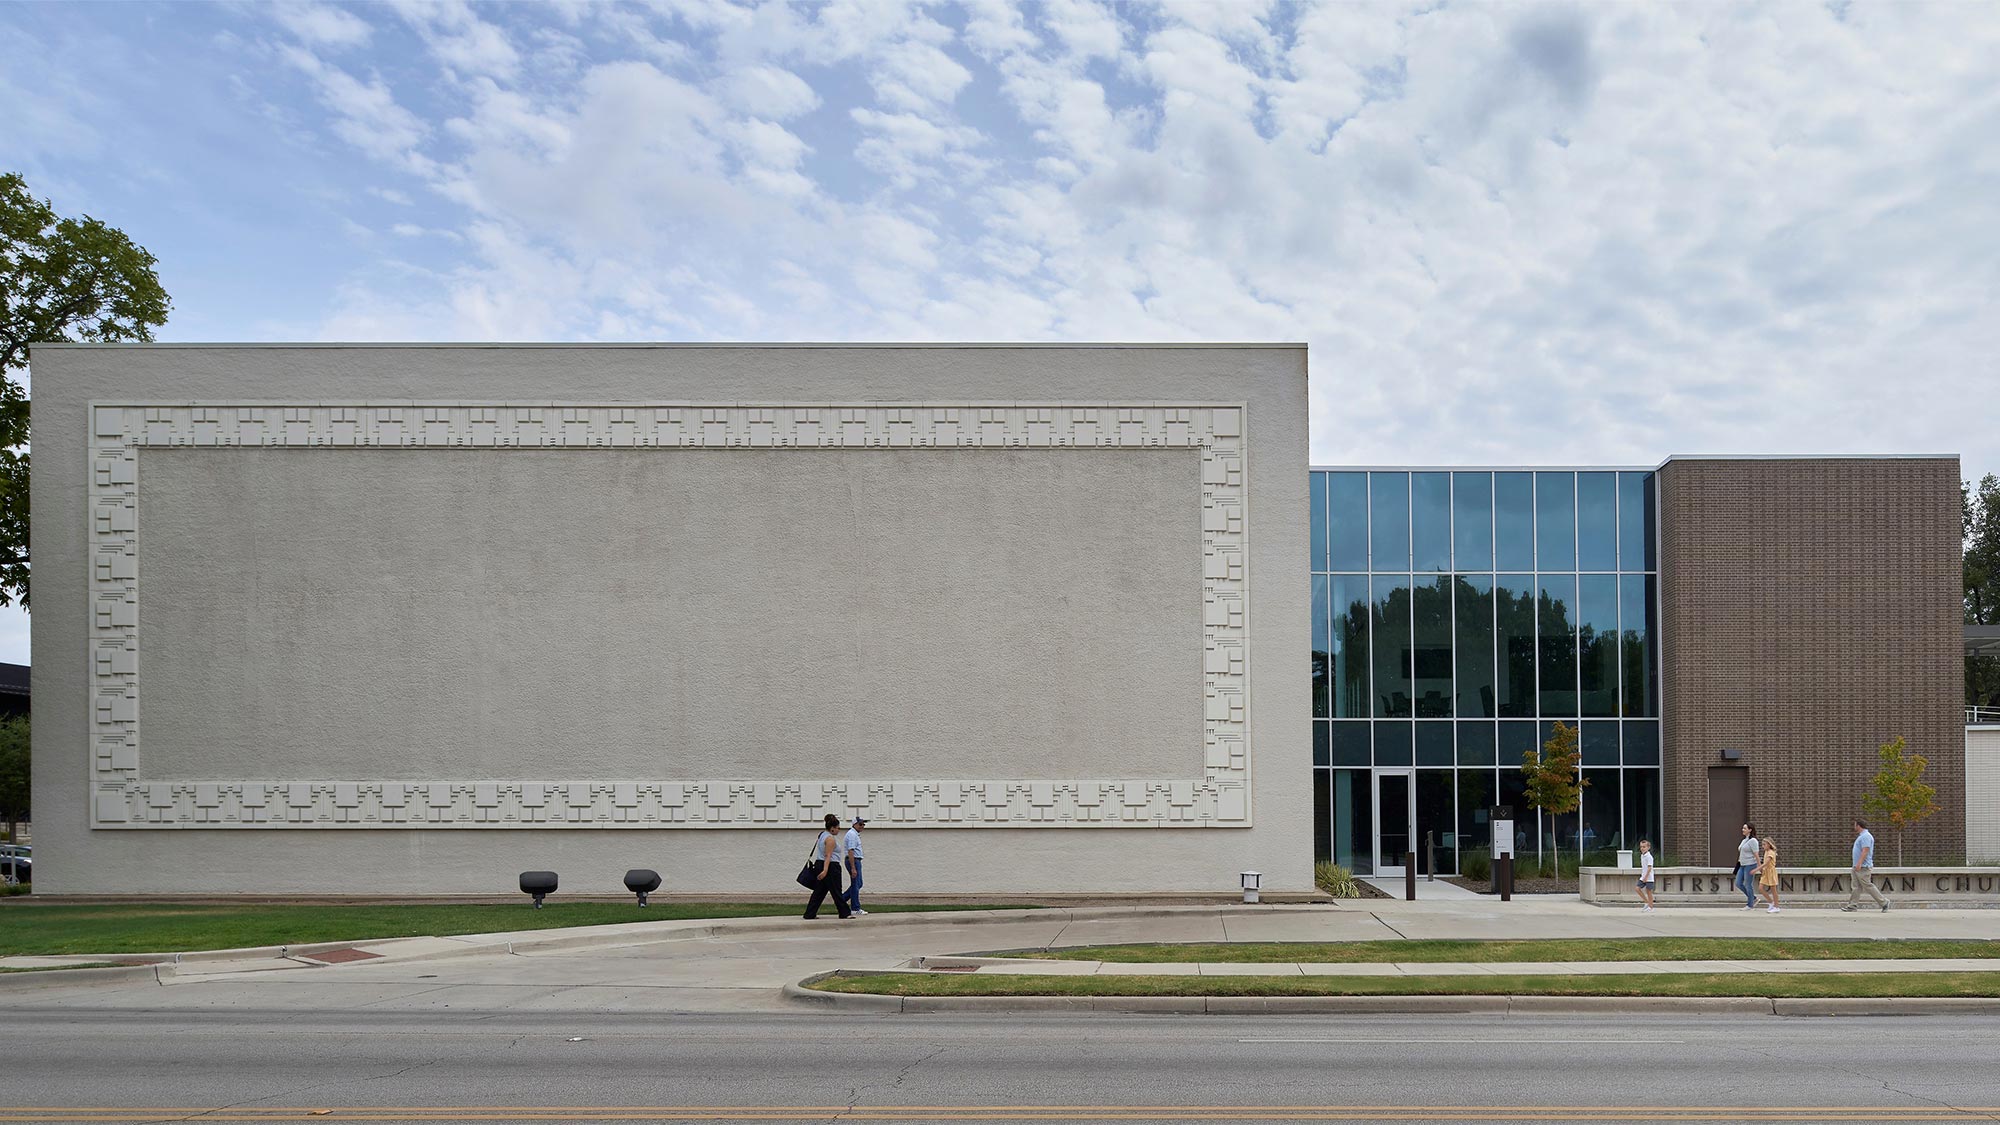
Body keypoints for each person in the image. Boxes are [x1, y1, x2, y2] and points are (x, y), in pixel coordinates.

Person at [803, 813, 853, 920]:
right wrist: (825, 870)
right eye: (837, 828)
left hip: (819, 863)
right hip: (830, 866)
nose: (839, 830)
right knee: (836, 890)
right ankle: (844, 912)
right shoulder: (830, 839)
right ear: (832, 828)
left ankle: (810, 913)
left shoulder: (822, 835)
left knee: (819, 891)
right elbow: (828, 855)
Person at [1843, 818, 1890, 912]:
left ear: (1858, 826)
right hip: (1857, 866)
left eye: (1855, 825)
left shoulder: (1866, 836)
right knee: (1856, 886)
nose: (1854, 827)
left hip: (1863, 866)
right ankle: (1852, 905)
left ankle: (1884, 902)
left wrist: (1859, 863)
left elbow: (1865, 850)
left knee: (1867, 885)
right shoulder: (1862, 836)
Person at [842, 816, 868, 917]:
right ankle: (855, 908)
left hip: (856, 860)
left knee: (858, 884)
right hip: (853, 861)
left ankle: (841, 900)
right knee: (855, 884)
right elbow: (851, 851)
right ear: (854, 824)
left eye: (863, 824)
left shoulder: (854, 834)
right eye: (860, 824)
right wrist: (853, 867)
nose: (862, 826)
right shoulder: (852, 834)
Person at [1734, 823, 1760, 909]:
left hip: (1750, 865)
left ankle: (1750, 904)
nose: (1743, 830)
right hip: (1742, 865)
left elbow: (1756, 854)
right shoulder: (1744, 840)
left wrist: (1759, 867)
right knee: (1738, 883)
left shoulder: (1753, 841)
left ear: (1750, 830)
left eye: (1745, 828)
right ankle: (1754, 898)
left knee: (1748, 884)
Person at [1758, 837, 1780, 913]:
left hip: (1771, 872)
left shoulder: (1771, 852)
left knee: (1773, 890)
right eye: (1762, 844)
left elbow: (1766, 863)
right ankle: (1771, 902)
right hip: (1765, 872)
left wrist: (1756, 869)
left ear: (1769, 844)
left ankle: (1776, 906)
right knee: (1760, 888)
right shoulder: (1766, 852)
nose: (1762, 846)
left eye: (1764, 844)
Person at [1635, 839, 1656, 912]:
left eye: (1644, 847)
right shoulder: (1642, 856)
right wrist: (1643, 877)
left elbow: (1649, 868)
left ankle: (1651, 907)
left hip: (1649, 878)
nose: (1642, 848)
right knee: (1637, 888)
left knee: (1648, 892)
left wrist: (1646, 877)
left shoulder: (1649, 857)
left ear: (1648, 847)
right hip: (1643, 876)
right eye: (1641, 847)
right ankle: (1646, 902)